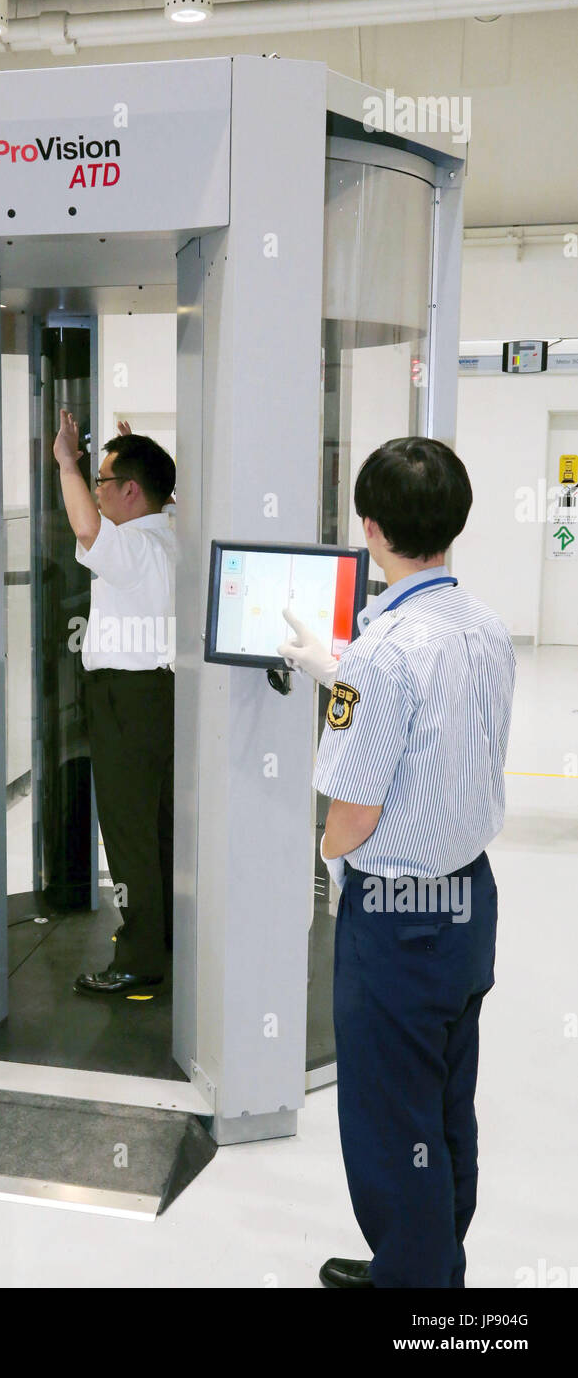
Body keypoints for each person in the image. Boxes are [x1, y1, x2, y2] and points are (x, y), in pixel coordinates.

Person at [280, 436, 516, 1289]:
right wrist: (335, 670)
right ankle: (425, 1260)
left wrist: (322, 852)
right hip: (465, 902)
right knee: (444, 1100)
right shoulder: (485, 629)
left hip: (394, 917)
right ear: (455, 522)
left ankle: (417, 1290)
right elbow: (437, 737)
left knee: (388, 1116)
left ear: (368, 528)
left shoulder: (381, 655)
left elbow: (352, 814)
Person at [52, 410, 177, 994]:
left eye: (105, 483)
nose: (96, 494)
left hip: (126, 700)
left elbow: (85, 529)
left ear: (130, 490)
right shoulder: (170, 532)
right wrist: (130, 450)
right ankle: (165, 935)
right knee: (157, 826)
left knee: (128, 833)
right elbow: (157, 495)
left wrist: (66, 462)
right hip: (159, 695)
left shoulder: (131, 547)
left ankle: (138, 959)